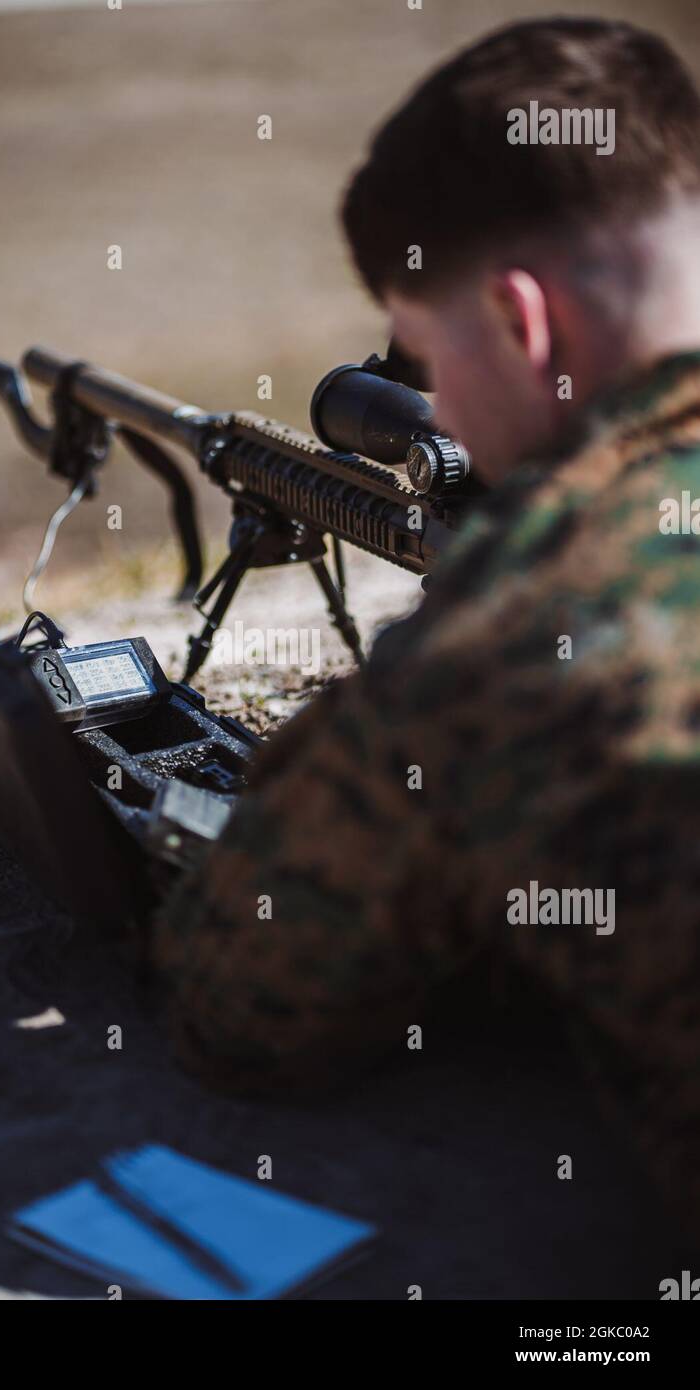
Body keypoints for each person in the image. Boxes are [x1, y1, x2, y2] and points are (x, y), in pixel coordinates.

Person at [153, 17, 700, 1231]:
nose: (436, 407)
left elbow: (244, 1009)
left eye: (433, 365)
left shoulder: (518, 632)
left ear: (522, 320)